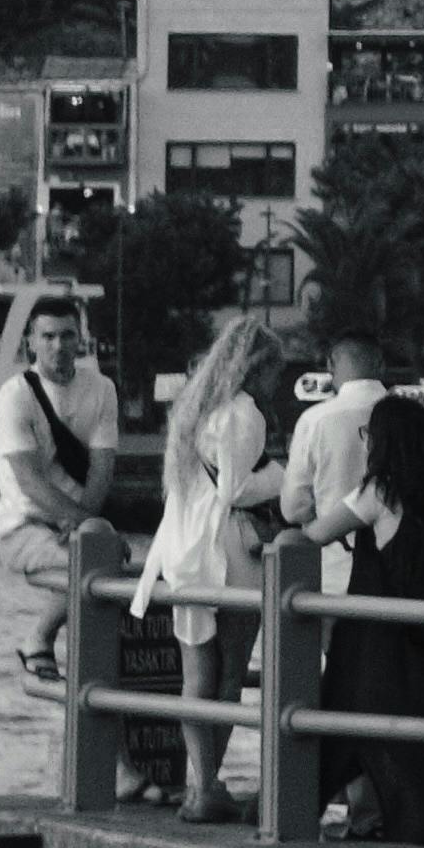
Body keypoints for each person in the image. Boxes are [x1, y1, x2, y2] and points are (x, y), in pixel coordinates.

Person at [137, 306, 286, 814]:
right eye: (274, 371)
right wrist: (284, 478)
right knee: (229, 675)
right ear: (255, 367)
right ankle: (207, 786)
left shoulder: (193, 410)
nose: (276, 381)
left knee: (195, 675)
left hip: (183, 551)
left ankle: (202, 785)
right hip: (227, 554)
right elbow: (238, 488)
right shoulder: (244, 412)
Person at [317, 389, 424, 848]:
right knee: (417, 747)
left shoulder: (378, 490)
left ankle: (291, 816)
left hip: (375, 644)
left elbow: (314, 533)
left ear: (378, 439)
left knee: (337, 736)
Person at [0, 292, 112, 693]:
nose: (58, 346)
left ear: (81, 340)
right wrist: (84, 526)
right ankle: (38, 640)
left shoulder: (101, 388)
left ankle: (91, 675)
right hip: (22, 527)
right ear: (31, 341)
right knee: (92, 569)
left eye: (67, 335)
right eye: (48, 336)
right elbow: (28, 480)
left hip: (75, 523)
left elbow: (102, 467)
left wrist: (83, 527)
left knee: (100, 564)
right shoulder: (14, 397)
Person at [283, 332, 391, 586]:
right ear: (381, 364)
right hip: (398, 572)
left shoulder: (315, 419)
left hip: (334, 568)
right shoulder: (412, 416)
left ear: (331, 365)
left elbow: (293, 507)